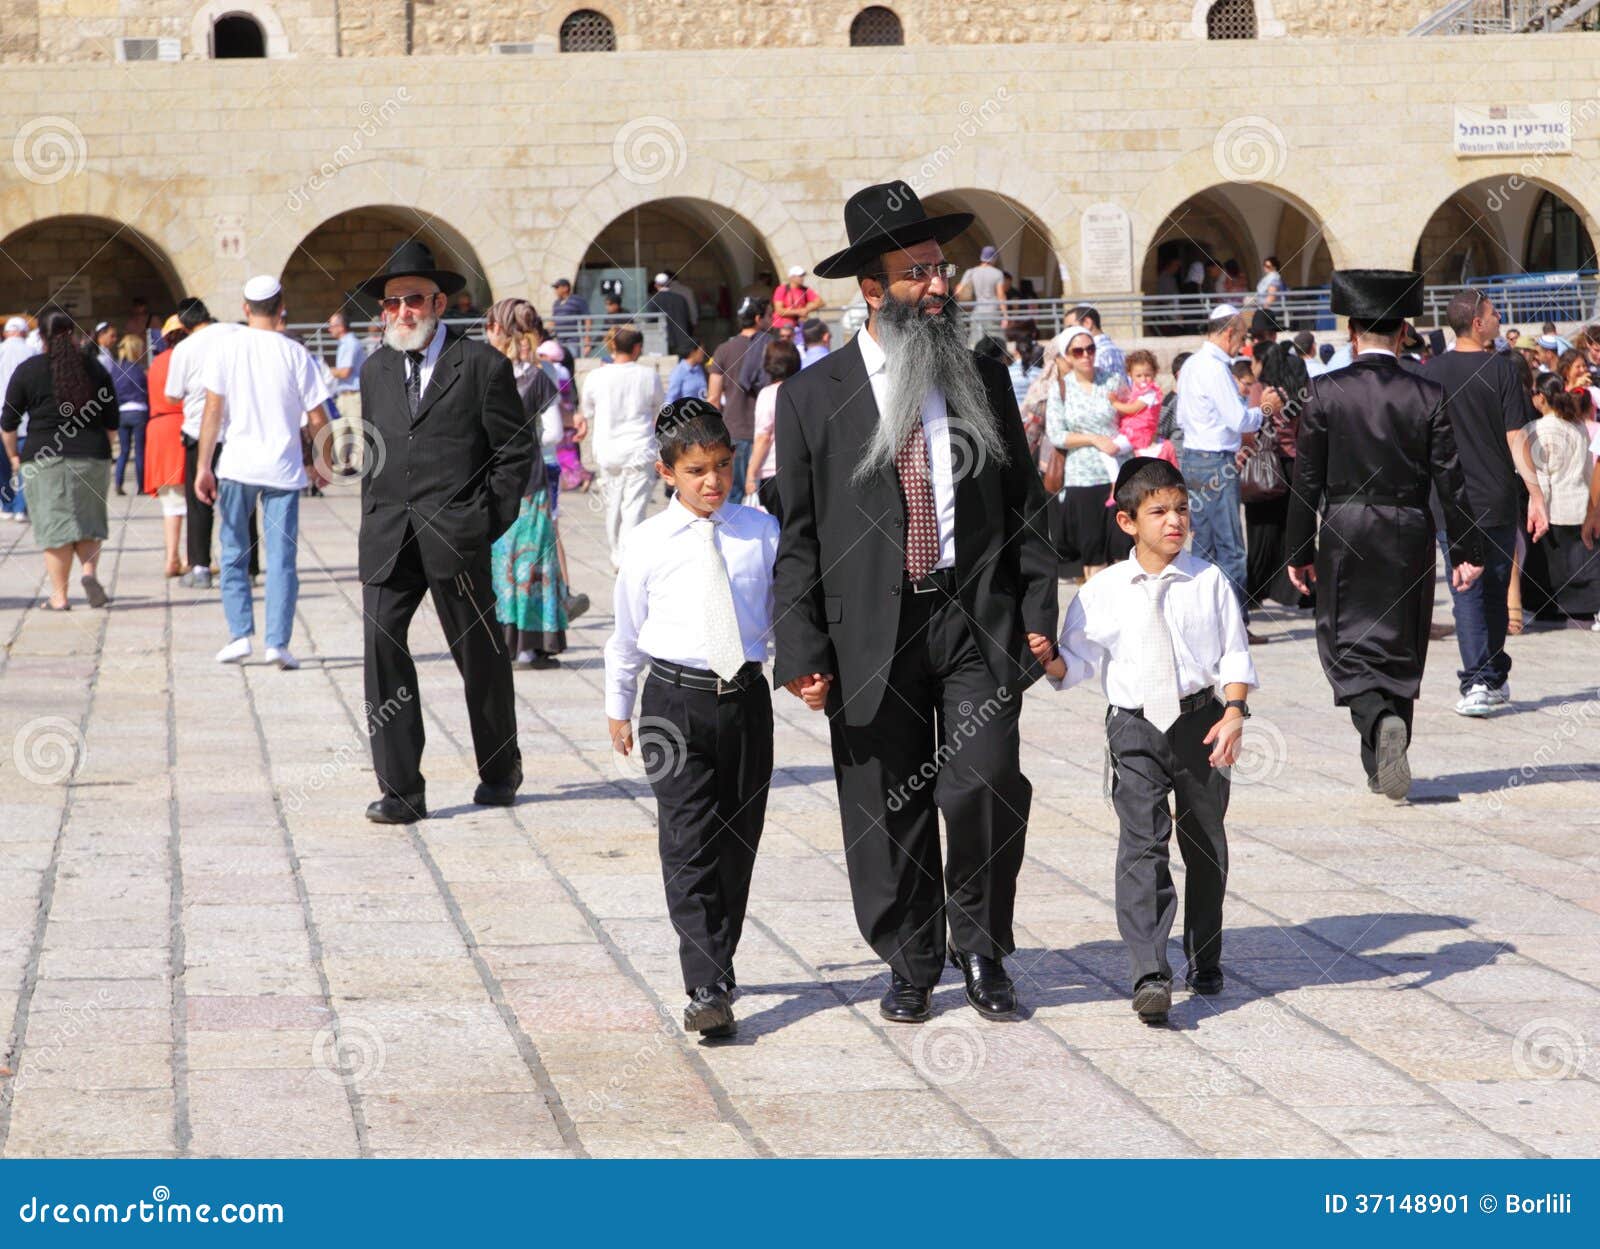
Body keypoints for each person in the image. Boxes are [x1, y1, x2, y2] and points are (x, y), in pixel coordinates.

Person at [773, 181, 1057, 1022]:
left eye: (942, 269)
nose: (939, 287)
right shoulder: (812, 398)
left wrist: (1040, 611)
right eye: (916, 274)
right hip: (869, 632)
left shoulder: (980, 374)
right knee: (885, 801)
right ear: (870, 288)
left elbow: (1023, 506)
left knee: (985, 781)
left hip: (973, 620)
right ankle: (910, 954)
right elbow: (798, 537)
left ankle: (981, 946)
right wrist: (801, 648)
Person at [1035, 457, 1255, 1022]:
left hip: (1201, 721)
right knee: (1142, 843)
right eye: (1159, 512)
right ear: (1129, 521)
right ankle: (1150, 974)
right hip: (1133, 725)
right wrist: (1049, 661)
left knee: (1205, 842)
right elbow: (1077, 664)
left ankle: (1204, 953)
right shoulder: (1102, 591)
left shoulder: (1208, 581)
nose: (1174, 522)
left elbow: (1233, 653)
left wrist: (1233, 713)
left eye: (1181, 510)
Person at [605, 397, 778, 1039]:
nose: (712, 482)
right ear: (667, 471)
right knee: (686, 841)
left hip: (744, 701)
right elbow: (626, 632)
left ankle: (720, 956)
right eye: (698, 469)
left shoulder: (760, 533)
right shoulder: (647, 542)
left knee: (737, 840)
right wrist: (618, 705)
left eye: (724, 467)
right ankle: (703, 983)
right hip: (671, 705)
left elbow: (782, 616)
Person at [355, 240, 535, 824]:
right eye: (391, 304)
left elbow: (515, 453)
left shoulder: (482, 365)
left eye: (413, 301)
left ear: (438, 302)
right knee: (382, 648)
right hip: (389, 536)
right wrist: (370, 516)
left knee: (479, 655)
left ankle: (500, 767)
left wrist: (485, 522)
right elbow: (375, 451)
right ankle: (402, 790)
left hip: (457, 535)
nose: (402, 313)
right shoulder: (375, 368)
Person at [1286, 270, 1484, 800]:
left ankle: (1376, 723)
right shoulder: (1428, 393)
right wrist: (1465, 547)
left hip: (1347, 524)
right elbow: (1450, 476)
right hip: (1409, 526)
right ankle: (1385, 753)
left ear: (1352, 332)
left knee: (1345, 641)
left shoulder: (1323, 392)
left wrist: (1299, 550)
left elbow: (1306, 479)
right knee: (1401, 640)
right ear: (1402, 334)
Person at [194, 276, 331, 670]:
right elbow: (318, 417)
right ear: (281, 305)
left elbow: (213, 413)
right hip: (283, 470)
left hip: (237, 465)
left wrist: (203, 466)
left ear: (245, 308)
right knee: (282, 558)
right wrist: (324, 463)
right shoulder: (296, 354)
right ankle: (277, 643)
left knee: (235, 552)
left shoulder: (227, 348)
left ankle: (239, 635)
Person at [1422, 289, 1547, 717]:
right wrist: (1536, 494)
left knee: (1479, 589)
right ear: (1477, 322)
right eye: (1494, 314)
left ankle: (1490, 675)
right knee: (1480, 589)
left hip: (1450, 498)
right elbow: (1517, 438)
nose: (1499, 319)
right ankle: (1478, 678)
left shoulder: (1431, 371)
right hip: (1493, 495)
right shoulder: (1502, 371)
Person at [1175, 305, 1283, 636]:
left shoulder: (1192, 364)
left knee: (1204, 547)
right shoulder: (1215, 368)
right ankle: (1234, 626)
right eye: (1240, 336)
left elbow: (1180, 419)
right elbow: (1238, 420)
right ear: (1228, 333)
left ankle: (1205, 624)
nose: (1242, 345)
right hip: (1215, 462)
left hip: (1193, 458)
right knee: (1231, 548)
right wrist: (1266, 408)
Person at [2, 312, 118, 609]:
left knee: (55, 528)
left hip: (44, 456)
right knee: (89, 522)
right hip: (92, 454)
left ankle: (60, 596)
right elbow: (111, 420)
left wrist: (14, 455)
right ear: (74, 333)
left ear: (40, 335)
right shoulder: (94, 368)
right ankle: (89, 573)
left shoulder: (29, 370)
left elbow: (9, 421)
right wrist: (103, 449)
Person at [484, 298, 568, 670]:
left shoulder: (484, 372)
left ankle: (501, 639)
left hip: (490, 476)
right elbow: (553, 433)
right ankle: (531, 643)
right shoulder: (539, 377)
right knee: (534, 559)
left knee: (501, 558)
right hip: (531, 477)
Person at [165, 298, 250, 589]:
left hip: (200, 432)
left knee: (199, 501)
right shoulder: (238, 334)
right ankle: (246, 566)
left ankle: (200, 566)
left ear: (184, 324)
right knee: (240, 501)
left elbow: (173, 395)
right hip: (239, 430)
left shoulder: (184, 348)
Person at [582, 325, 663, 567]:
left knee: (613, 505)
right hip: (639, 449)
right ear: (637, 347)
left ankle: (617, 553)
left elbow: (587, 411)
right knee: (634, 507)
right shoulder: (649, 375)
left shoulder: (595, 376)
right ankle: (628, 558)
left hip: (608, 450)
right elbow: (658, 409)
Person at [1526, 373, 1600, 622]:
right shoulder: (1578, 424)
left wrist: (1537, 509)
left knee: (1553, 567)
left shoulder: (1539, 428)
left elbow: (1542, 476)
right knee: (1583, 562)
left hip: (1554, 505)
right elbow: (1589, 467)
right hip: (1580, 502)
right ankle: (1587, 606)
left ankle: (1551, 609)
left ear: (1542, 398)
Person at [1243, 341, 1309, 610]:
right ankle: (1298, 591)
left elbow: (1249, 427)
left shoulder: (1261, 390)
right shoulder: (1294, 392)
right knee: (1287, 532)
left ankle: (1254, 591)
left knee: (1260, 533)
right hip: (1291, 467)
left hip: (1265, 469)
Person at [707, 297, 770, 493]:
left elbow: (713, 398)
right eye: (770, 315)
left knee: (732, 495)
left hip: (734, 430)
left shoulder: (723, 350)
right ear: (759, 319)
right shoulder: (771, 347)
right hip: (767, 431)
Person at [143, 315, 189, 577]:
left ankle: (172, 557)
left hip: (158, 429)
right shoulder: (189, 359)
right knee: (191, 499)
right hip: (182, 427)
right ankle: (187, 558)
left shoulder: (157, 363)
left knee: (170, 502)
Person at [745, 337, 799, 519]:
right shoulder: (805, 390)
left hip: (772, 471)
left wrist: (751, 473)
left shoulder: (767, 394)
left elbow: (763, 437)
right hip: (800, 468)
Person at [325, 310, 366, 474]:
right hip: (344, 395)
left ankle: (363, 467)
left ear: (341, 327)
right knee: (339, 431)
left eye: (331, 326)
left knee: (358, 432)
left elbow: (344, 372)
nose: (329, 329)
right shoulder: (345, 344)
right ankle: (345, 466)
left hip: (353, 396)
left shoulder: (350, 344)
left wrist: (324, 371)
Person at [109, 334, 148, 496]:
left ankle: (118, 482)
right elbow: (146, 392)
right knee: (139, 451)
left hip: (122, 413)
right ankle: (141, 486)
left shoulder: (116, 370)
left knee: (124, 451)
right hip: (139, 412)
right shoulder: (139, 371)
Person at [955, 243, 1008, 340]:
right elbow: (1001, 295)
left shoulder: (971, 272)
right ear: (994, 258)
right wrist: (1005, 315)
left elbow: (958, 290)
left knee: (976, 342)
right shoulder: (998, 273)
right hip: (993, 312)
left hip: (978, 311)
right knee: (996, 343)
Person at [1067, 305, 1126, 386]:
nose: (1067, 332)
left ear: (1087, 323)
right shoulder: (1119, 351)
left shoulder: (1095, 354)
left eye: (1070, 327)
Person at [642, 272, 695, 358]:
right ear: (669, 284)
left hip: (663, 342)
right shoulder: (680, 299)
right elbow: (688, 320)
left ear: (656, 285)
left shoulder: (653, 300)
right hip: (682, 340)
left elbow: (651, 323)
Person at [770, 265, 822, 336]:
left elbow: (820, 302)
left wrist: (807, 309)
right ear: (792, 277)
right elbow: (779, 310)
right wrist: (799, 312)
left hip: (796, 327)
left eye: (803, 275)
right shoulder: (782, 289)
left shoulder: (805, 290)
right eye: (800, 276)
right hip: (780, 327)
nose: (802, 278)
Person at [549, 278, 590, 356]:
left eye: (557, 287)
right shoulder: (556, 303)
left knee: (572, 360)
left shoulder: (578, 300)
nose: (555, 290)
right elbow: (553, 321)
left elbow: (587, 318)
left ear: (565, 288)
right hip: (560, 339)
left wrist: (587, 337)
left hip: (573, 339)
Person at [1254, 255, 1286, 322]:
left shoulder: (1274, 278)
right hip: (1261, 306)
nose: (1265, 268)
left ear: (1274, 267)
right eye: (1264, 265)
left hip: (1269, 309)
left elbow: (1271, 296)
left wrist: (1264, 310)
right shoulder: (1268, 277)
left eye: (1268, 266)